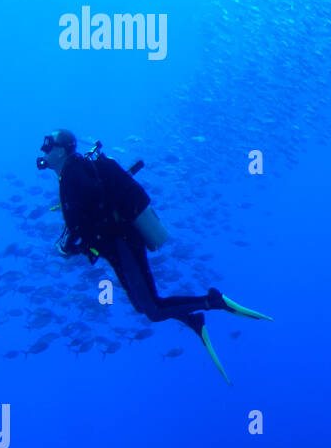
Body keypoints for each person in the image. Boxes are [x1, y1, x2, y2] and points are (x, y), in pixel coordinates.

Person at [37, 129, 270, 384]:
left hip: (121, 241)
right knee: (143, 306)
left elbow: (90, 210)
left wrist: (71, 245)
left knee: (153, 308)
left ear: (61, 150)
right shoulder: (73, 171)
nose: (44, 151)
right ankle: (190, 318)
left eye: (48, 146)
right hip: (114, 246)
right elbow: (87, 213)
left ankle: (213, 301)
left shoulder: (73, 174)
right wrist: (76, 241)